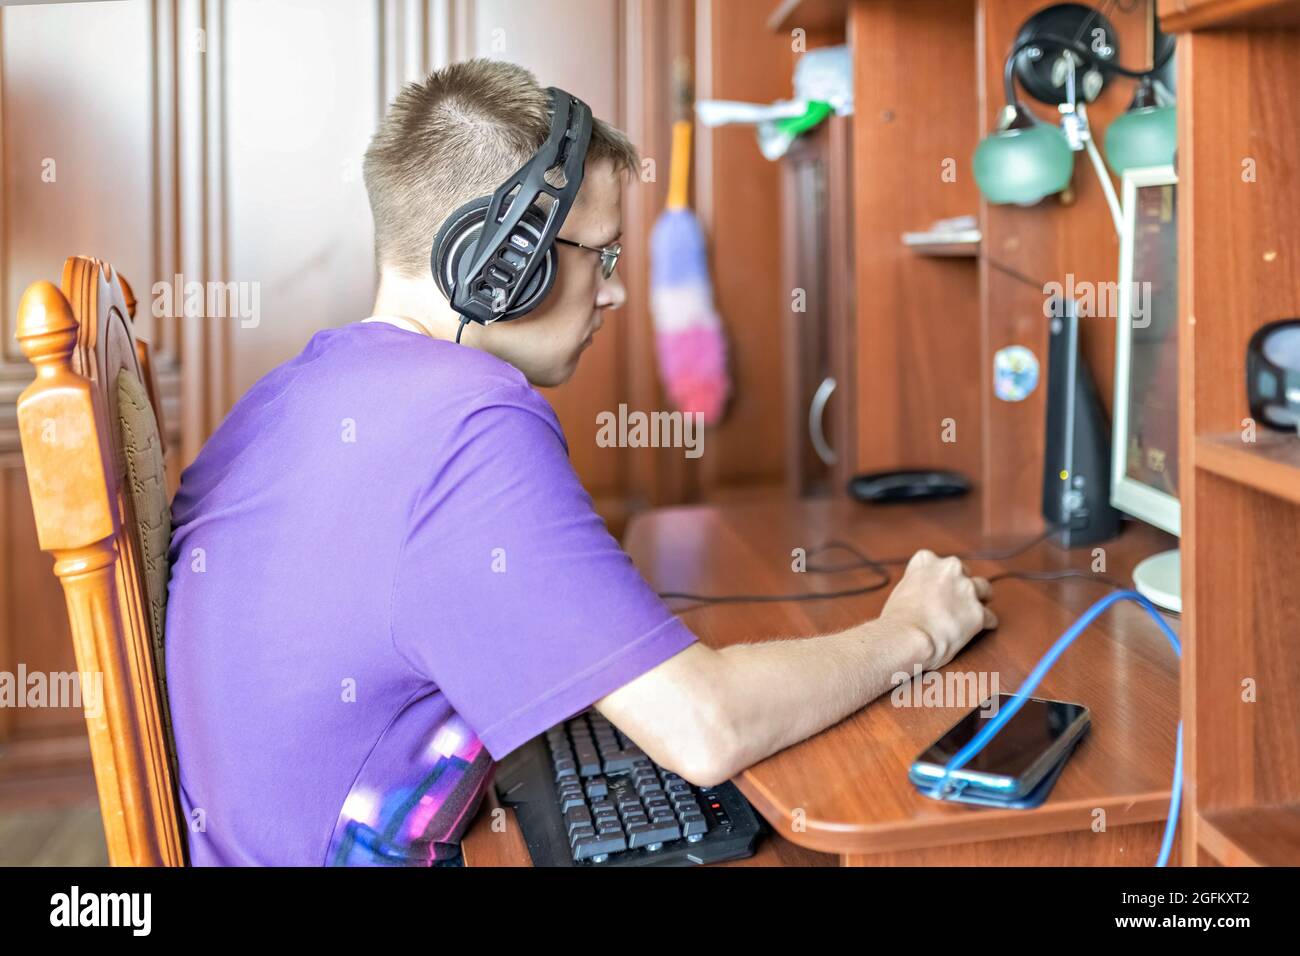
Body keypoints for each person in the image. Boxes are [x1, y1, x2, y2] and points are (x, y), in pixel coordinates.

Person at [165, 58, 996, 866]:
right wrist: (913, 630)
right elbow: (704, 728)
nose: (614, 292)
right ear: (502, 261)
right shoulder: (469, 419)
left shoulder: (291, 391)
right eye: (603, 254)